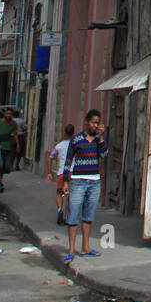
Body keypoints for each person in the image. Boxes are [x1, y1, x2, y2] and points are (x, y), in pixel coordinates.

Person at [62, 109, 108, 261]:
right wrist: (66, 181)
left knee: (88, 216)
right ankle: (71, 249)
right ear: (86, 122)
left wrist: (101, 138)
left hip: (94, 181)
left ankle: (85, 247)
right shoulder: (76, 140)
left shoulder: (98, 140)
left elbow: (104, 154)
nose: (95, 125)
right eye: (93, 122)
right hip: (78, 181)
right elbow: (68, 161)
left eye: (97, 123)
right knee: (73, 215)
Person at [50, 124, 76, 224]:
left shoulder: (59, 146)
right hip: (73, 173)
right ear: (73, 133)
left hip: (61, 172)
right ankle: (67, 216)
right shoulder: (76, 146)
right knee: (70, 195)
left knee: (59, 193)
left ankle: (60, 209)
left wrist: (49, 172)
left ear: (64, 133)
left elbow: (50, 158)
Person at [0, 112, 15, 191]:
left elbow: (15, 135)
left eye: (10, 114)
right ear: (4, 114)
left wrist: (18, 145)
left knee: (5, 167)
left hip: (8, 148)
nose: (9, 115)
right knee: (0, 166)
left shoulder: (13, 124)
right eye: (7, 113)